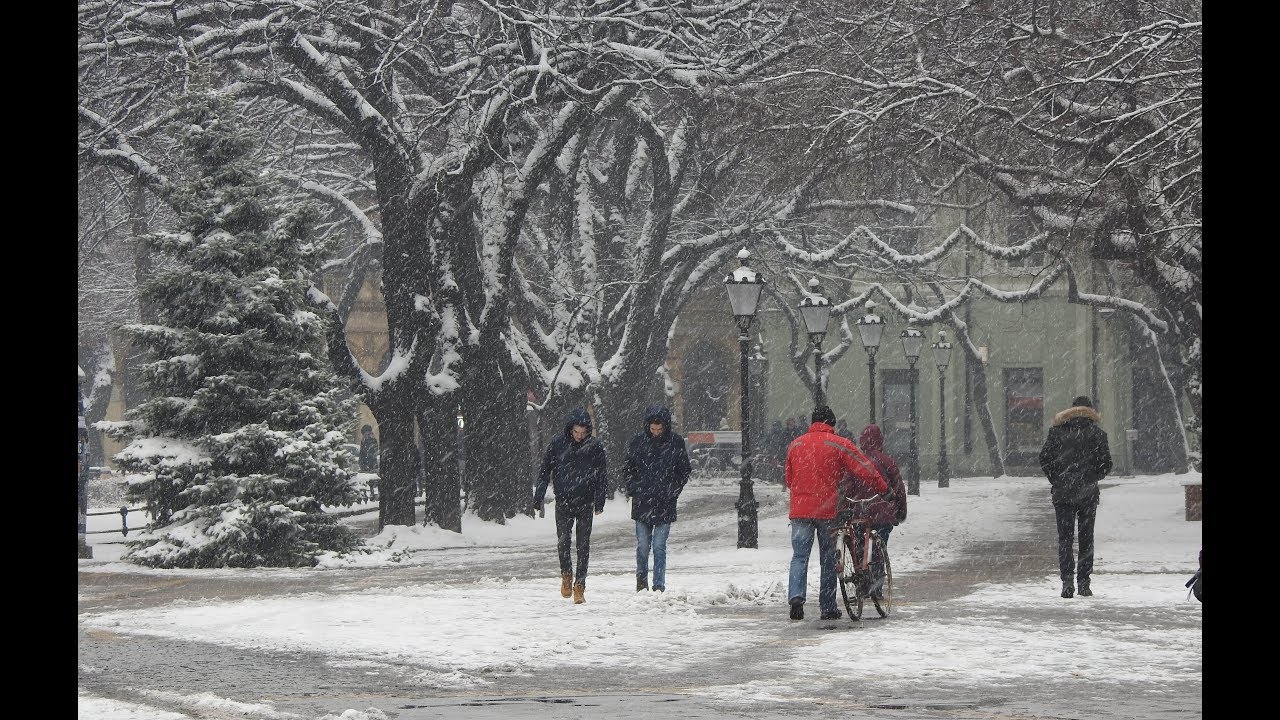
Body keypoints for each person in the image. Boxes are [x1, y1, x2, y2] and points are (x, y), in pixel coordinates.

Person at [784, 405, 890, 621]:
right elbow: (864, 468)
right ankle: (828, 606)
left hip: (800, 509)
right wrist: (883, 488)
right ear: (831, 423)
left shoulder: (796, 444)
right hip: (827, 510)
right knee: (829, 558)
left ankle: (796, 598)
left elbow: (789, 479)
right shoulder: (839, 443)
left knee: (799, 556)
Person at [1039, 395, 1113, 599]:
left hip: (1063, 494)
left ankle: (1067, 582)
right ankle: (1084, 583)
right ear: (1091, 411)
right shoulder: (1097, 434)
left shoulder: (1056, 432)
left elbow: (1044, 458)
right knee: (1086, 539)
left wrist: (1057, 479)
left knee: (1065, 539)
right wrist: (1091, 477)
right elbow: (1106, 463)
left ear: (1071, 410)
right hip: (1087, 495)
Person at [534, 408, 609, 604]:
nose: (579, 436)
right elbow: (545, 471)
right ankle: (566, 574)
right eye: (576, 432)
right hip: (564, 501)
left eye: (583, 433)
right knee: (563, 542)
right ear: (570, 429)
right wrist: (539, 495)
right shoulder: (557, 444)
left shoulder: (594, 446)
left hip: (585, 501)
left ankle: (580, 585)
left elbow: (601, 476)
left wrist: (599, 501)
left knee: (583, 545)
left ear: (588, 431)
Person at [623, 404, 692, 592]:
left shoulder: (675, 442)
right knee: (643, 546)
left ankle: (659, 585)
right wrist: (634, 489)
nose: (656, 433)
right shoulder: (638, 442)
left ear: (665, 427)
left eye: (659, 429)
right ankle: (641, 580)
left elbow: (684, 470)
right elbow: (628, 468)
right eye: (653, 429)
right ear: (648, 426)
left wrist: (673, 490)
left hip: (665, 502)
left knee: (659, 546)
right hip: (643, 502)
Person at [853, 423, 908, 599]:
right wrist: (900, 510)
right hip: (883, 513)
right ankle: (876, 587)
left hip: (861, 511)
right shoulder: (887, 461)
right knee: (879, 549)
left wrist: (847, 507)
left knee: (860, 548)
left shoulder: (856, 460)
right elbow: (898, 488)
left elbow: (848, 486)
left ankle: (862, 583)